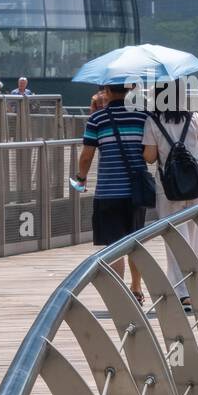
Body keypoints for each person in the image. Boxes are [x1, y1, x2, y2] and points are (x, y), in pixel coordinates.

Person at [143, 87, 198, 314]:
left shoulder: (153, 121)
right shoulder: (194, 118)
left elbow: (149, 157)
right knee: (195, 238)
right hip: (197, 186)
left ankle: (183, 293)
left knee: (175, 239)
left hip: (168, 189)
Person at [73, 83, 149, 303]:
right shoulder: (142, 117)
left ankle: (119, 295)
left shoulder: (97, 119)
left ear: (106, 91)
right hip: (137, 192)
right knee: (135, 242)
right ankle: (136, 288)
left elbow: (86, 155)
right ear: (129, 91)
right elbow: (150, 151)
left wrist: (81, 177)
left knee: (114, 245)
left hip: (108, 191)